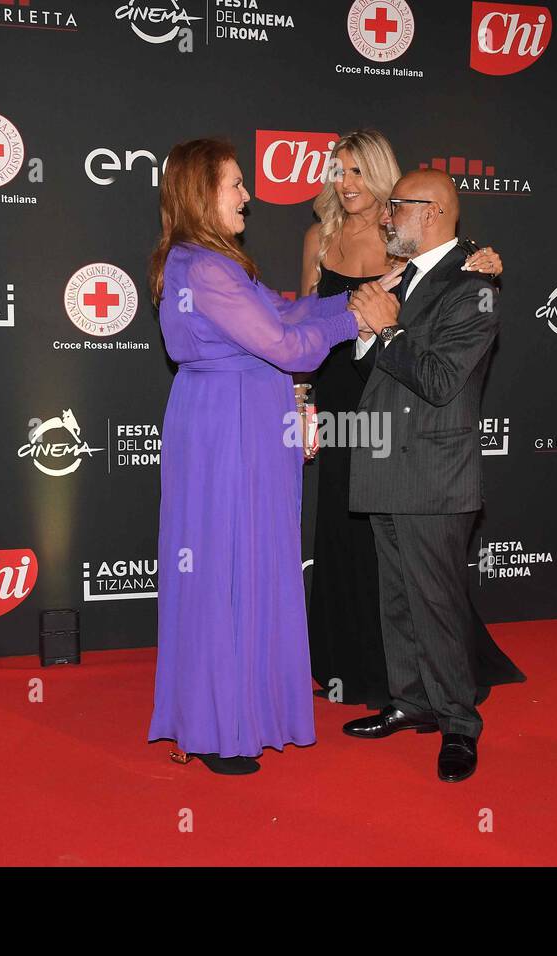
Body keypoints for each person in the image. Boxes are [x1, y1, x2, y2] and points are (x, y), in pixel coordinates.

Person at [145, 138, 392, 775]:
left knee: (237, 566)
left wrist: (362, 295)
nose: (248, 196)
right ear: (203, 193)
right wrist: (358, 322)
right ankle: (215, 727)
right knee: (226, 566)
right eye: (235, 185)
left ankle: (230, 712)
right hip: (229, 430)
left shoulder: (209, 262)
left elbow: (286, 310)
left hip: (236, 424)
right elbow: (286, 346)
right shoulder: (205, 269)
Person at [297, 129, 523, 711]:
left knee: (421, 574)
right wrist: (303, 397)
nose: (342, 183)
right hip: (346, 402)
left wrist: (483, 262)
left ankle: (441, 705)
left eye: (354, 171)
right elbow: (306, 329)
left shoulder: (423, 253)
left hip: (405, 416)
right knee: (365, 554)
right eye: (335, 171)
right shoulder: (320, 238)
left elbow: (446, 276)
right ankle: (381, 683)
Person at [342, 169, 501, 783]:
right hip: (383, 461)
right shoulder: (402, 278)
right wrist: (369, 330)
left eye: (395, 207)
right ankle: (411, 700)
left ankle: (460, 724)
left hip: (433, 473)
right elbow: (380, 367)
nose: (385, 217)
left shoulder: (477, 285)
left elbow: (437, 380)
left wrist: (387, 327)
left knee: (436, 602)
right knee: (399, 598)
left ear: (431, 212)